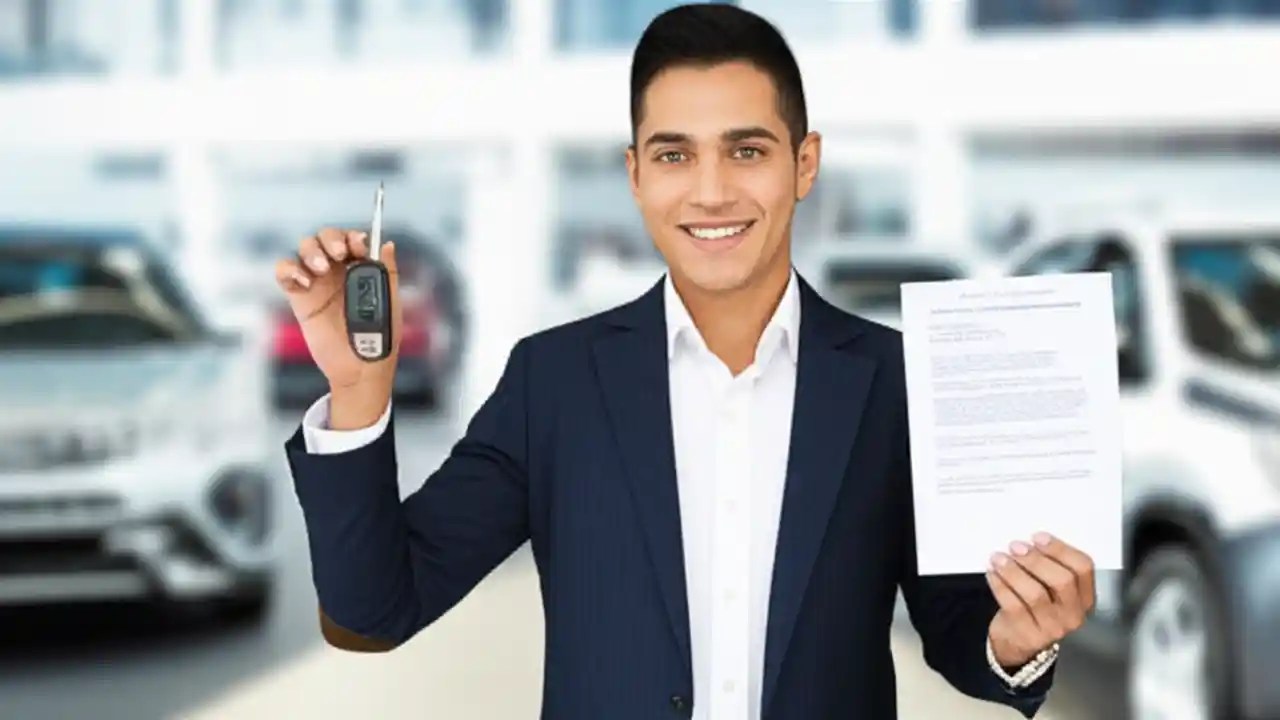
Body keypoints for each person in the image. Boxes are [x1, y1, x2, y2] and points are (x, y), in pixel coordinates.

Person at [274, 5, 1095, 719]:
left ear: (804, 163)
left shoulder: (896, 383)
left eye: (746, 151)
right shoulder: (553, 384)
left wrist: (1015, 639)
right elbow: (376, 608)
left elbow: (957, 626)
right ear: (635, 174)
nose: (710, 192)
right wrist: (357, 388)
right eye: (674, 155)